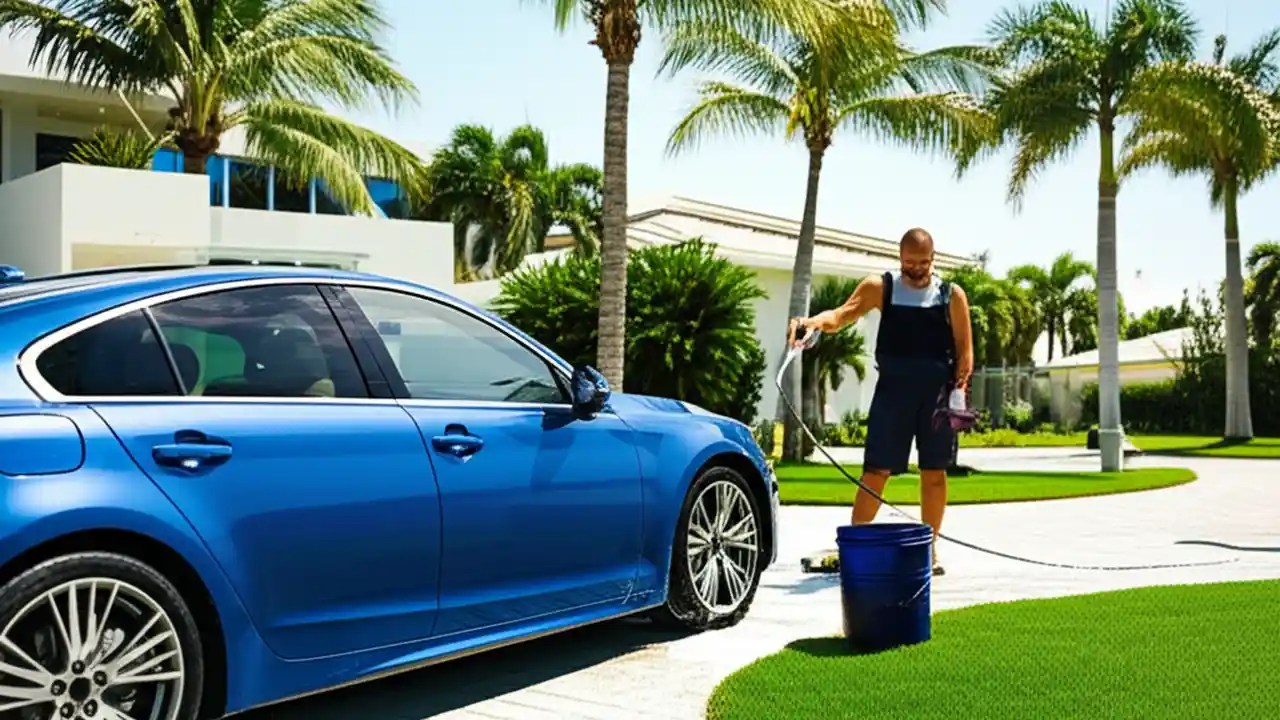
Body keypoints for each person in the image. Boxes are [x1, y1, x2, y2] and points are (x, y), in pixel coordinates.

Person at [789, 227, 973, 575]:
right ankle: (854, 549)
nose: (916, 269)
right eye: (909, 262)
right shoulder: (882, 287)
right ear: (899, 258)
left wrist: (959, 390)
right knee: (876, 472)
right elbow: (842, 315)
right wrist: (812, 323)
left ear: (933, 259)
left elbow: (966, 351)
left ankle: (929, 551)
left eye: (923, 263)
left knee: (934, 473)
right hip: (893, 394)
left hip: (936, 396)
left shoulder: (951, 295)